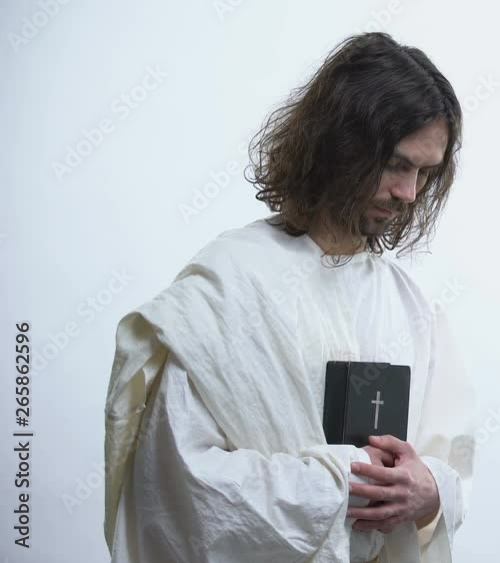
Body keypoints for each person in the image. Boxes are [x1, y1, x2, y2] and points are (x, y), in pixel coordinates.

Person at [103, 32, 477, 563]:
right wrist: (335, 488)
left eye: (424, 172)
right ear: (341, 146)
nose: (409, 193)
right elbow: (174, 481)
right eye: (396, 164)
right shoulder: (224, 290)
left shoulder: (410, 305)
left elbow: (449, 460)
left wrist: (428, 490)